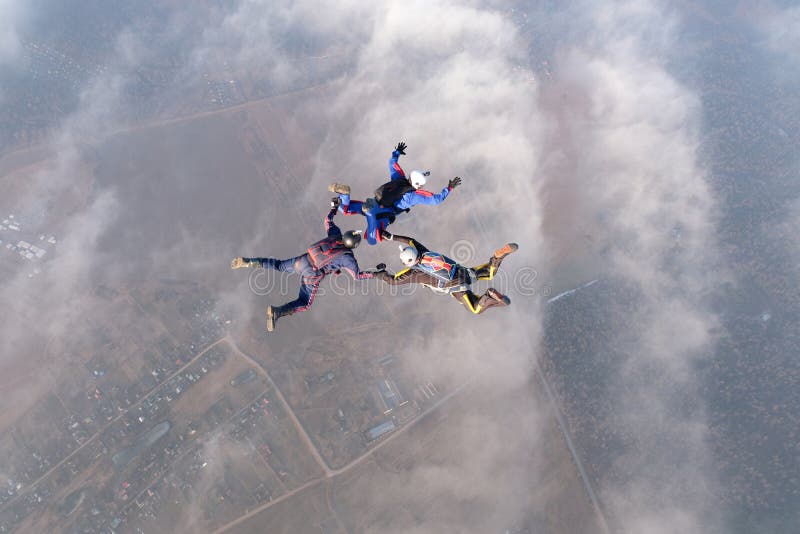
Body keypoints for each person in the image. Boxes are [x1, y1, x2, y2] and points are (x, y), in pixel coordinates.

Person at [231, 205, 374, 331]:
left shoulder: (336, 235)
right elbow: (358, 276)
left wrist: (334, 208)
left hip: (303, 261)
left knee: (278, 265)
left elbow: (328, 220)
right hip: (312, 273)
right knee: (304, 303)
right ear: (354, 245)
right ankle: (277, 312)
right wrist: (379, 274)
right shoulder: (348, 258)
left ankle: (249, 262)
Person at [328, 141, 462, 245]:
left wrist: (397, 152)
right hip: (382, 213)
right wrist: (449, 188)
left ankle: (344, 195)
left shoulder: (399, 178)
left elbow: (392, 163)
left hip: (374, 202)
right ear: (417, 185)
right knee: (372, 239)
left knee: (344, 209)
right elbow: (435, 200)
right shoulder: (412, 196)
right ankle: (369, 213)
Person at [373, 230, 518, 315]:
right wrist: (391, 237)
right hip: (463, 272)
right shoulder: (423, 251)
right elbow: (411, 240)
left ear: (409, 263)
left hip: (456, 286)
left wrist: (378, 274)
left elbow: (393, 281)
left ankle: (489, 297)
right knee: (488, 272)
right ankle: (497, 257)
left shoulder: (414, 273)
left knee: (475, 309)